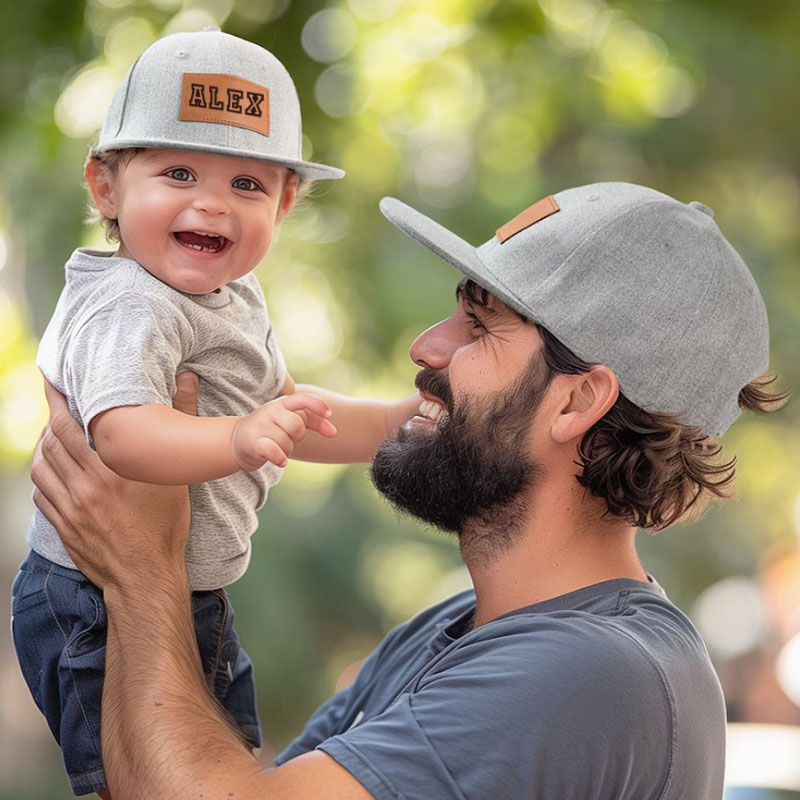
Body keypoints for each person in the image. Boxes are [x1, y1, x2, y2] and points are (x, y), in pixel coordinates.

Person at [29, 182, 787, 799]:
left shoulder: (585, 673)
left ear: (577, 402)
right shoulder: (460, 633)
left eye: (479, 324)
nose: (427, 346)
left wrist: (142, 571)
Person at [11, 28, 417, 798]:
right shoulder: (130, 305)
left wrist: (388, 424)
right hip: (90, 595)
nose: (211, 203)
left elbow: (289, 411)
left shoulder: (225, 297)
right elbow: (123, 434)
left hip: (187, 586)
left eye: (247, 185)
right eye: (178, 171)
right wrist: (233, 437)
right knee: (136, 778)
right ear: (104, 186)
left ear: (286, 200)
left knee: (220, 764)